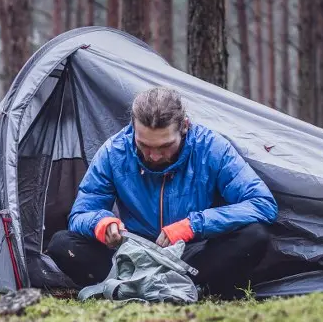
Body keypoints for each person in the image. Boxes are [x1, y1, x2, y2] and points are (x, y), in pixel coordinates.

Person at [46, 86, 278, 298]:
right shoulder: (113, 152)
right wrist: (101, 224)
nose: (154, 156)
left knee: (255, 236)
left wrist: (193, 225)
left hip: (190, 255)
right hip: (131, 256)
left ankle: (163, 288)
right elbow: (80, 214)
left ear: (184, 127)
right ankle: (152, 287)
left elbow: (262, 204)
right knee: (61, 243)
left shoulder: (211, 148)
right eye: (144, 146)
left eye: (165, 146)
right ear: (133, 129)